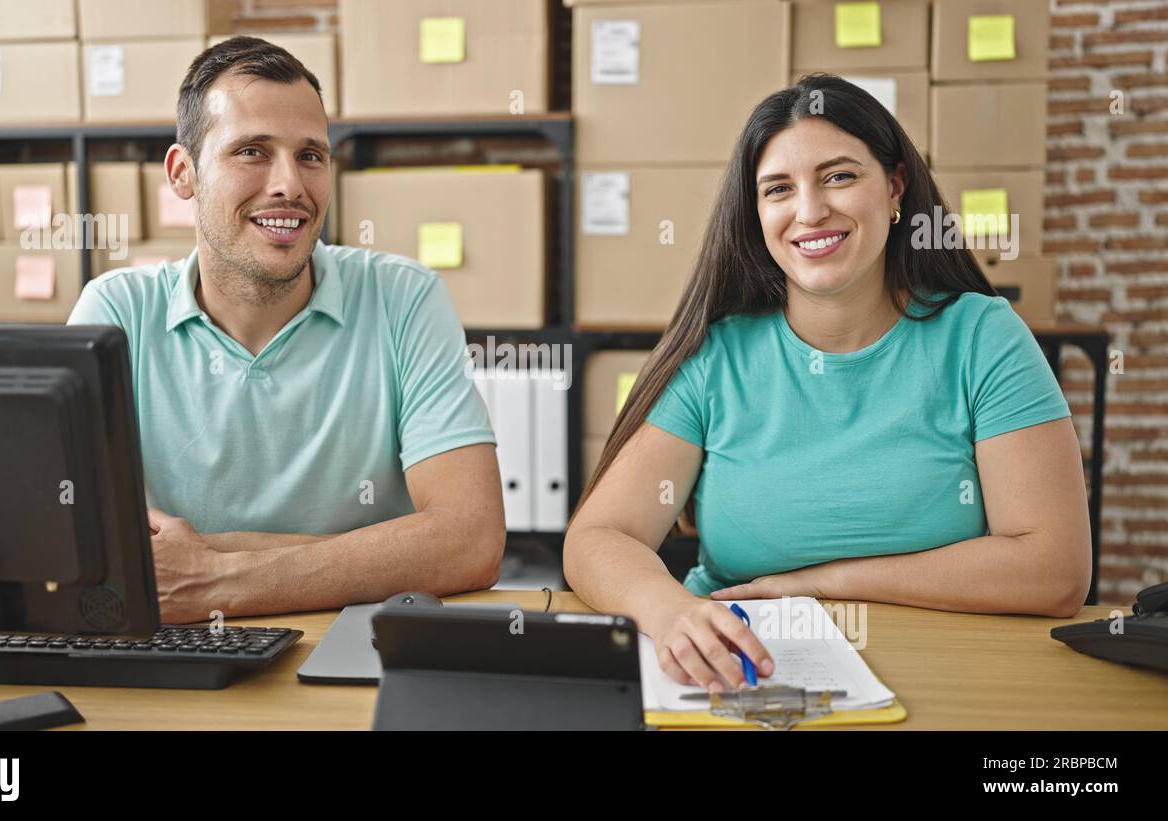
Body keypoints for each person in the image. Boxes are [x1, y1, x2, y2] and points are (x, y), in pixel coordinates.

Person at [563, 74, 1091, 692]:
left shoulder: (982, 338)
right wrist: (669, 608)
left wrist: (822, 582)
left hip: (951, 675)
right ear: (756, 214)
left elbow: (1054, 569)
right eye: (778, 189)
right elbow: (599, 537)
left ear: (895, 187)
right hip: (745, 676)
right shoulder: (716, 357)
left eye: (839, 176)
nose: (810, 211)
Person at [68, 37, 505, 623]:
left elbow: (471, 541)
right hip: (180, 646)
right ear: (183, 173)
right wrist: (379, 556)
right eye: (252, 151)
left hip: (352, 640)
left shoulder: (403, 297)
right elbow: (75, 550)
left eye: (310, 156)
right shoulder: (116, 314)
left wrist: (216, 577)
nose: (290, 186)